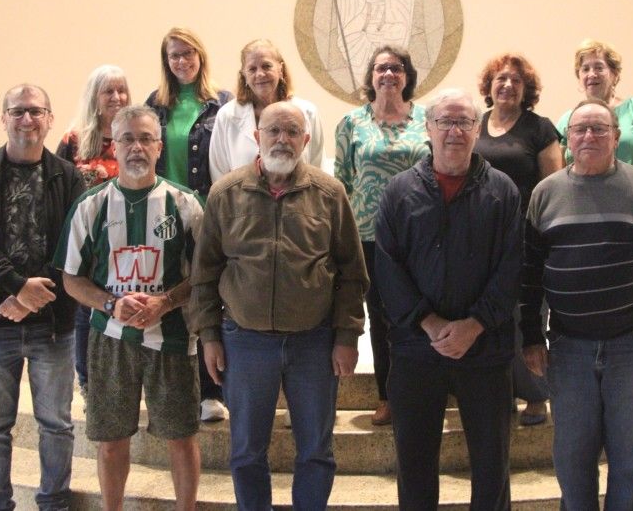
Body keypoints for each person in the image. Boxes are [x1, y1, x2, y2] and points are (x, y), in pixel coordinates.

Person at [190, 101, 368, 511]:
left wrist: (346, 336)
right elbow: (204, 273)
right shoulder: (226, 193)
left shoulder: (329, 193)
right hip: (245, 343)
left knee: (316, 452)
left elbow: (352, 273)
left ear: (306, 140)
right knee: (247, 453)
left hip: (314, 342)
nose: (282, 140)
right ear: (257, 136)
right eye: (274, 131)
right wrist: (209, 336)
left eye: (292, 132)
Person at [522, 98, 633, 510]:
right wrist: (529, 336)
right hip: (569, 347)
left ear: (616, 137)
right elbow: (529, 276)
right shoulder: (545, 194)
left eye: (599, 129)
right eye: (580, 129)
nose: (589, 136)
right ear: (567, 140)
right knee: (573, 461)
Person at [376, 88, 521, 511]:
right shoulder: (399, 192)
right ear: (428, 128)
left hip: (487, 351)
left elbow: (512, 267)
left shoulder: (503, 191)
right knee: (416, 467)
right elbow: (387, 268)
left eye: (464, 122)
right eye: (444, 121)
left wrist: (474, 324)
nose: (454, 131)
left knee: (492, 468)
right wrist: (430, 323)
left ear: (478, 130)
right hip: (416, 351)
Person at [56, 105, 203, 511]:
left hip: (172, 339)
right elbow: (71, 278)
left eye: (145, 139)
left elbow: (206, 274)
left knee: (181, 435)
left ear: (159, 147)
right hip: (110, 338)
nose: (136, 147)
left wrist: (166, 301)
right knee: (110, 438)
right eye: (127, 139)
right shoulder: (91, 205)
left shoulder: (186, 204)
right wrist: (110, 303)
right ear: (114, 147)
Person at [0, 83, 84, 511]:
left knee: (57, 425)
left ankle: (54, 502)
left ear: (49, 118)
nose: (27, 119)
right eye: (18, 111)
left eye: (36, 111)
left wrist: (31, 294)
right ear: (3, 117)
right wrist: (14, 285)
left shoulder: (68, 176)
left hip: (52, 327)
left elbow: (76, 242)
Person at [334, 45, 430, 426]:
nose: (388, 74)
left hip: (421, 235)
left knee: (423, 312)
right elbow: (341, 182)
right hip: (369, 236)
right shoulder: (352, 123)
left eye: (396, 68)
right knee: (382, 316)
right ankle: (388, 396)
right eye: (380, 68)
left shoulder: (428, 119)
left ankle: (426, 390)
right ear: (370, 77)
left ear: (407, 76)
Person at [145, 26, 232, 422]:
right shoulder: (155, 104)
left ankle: (212, 391)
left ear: (201, 56)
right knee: (169, 292)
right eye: (173, 55)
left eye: (187, 53)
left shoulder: (222, 103)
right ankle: (167, 385)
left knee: (209, 295)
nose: (181, 61)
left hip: (209, 210)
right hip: (166, 210)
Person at [473, 52, 561, 427]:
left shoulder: (539, 128)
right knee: (488, 316)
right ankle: (500, 390)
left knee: (526, 316)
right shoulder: (475, 124)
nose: (507, 85)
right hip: (480, 239)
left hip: (525, 238)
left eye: (515, 81)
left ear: (526, 90)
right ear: (489, 88)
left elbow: (553, 186)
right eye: (500, 79)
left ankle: (537, 393)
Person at [56, 64, 130, 399]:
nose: (117, 97)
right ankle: (87, 382)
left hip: (127, 238)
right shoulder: (73, 140)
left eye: (121, 90)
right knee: (86, 309)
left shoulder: (134, 135)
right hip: (86, 238)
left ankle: (124, 377)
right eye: (108, 91)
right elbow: (56, 190)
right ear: (94, 96)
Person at [208, 38, 324, 180]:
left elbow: (317, 169)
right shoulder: (227, 115)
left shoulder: (308, 112)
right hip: (242, 201)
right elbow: (219, 173)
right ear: (244, 75)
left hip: (300, 201)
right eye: (252, 69)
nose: (260, 74)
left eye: (266, 66)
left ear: (280, 70)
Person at [556, 39, 633, 183]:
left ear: (614, 73)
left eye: (599, 67)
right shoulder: (566, 120)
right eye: (585, 69)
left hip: (631, 200)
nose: (591, 74)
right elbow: (558, 175)